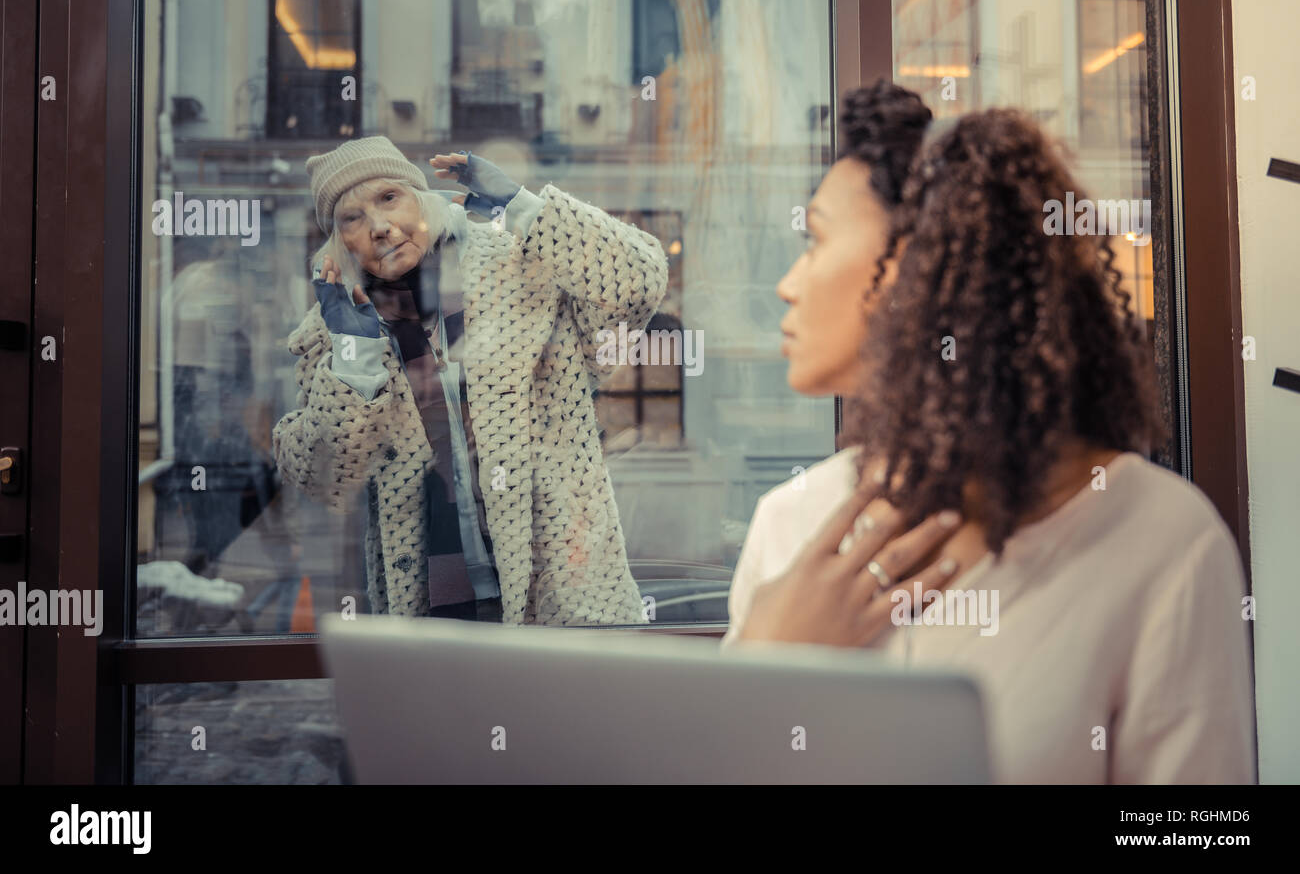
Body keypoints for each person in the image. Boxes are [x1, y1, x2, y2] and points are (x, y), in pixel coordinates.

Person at [724, 81, 1256, 783]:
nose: (788, 284)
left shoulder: (1165, 544)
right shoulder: (791, 525)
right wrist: (765, 669)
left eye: (815, 240)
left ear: (917, 264)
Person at [273, 137, 668, 626]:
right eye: (351, 218)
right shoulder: (332, 329)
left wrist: (523, 207)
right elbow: (325, 477)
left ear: (422, 199)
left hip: (562, 580)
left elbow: (638, 283)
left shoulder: (521, 265)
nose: (378, 227)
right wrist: (355, 360)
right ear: (339, 238)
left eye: (389, 198)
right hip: (433, 603)